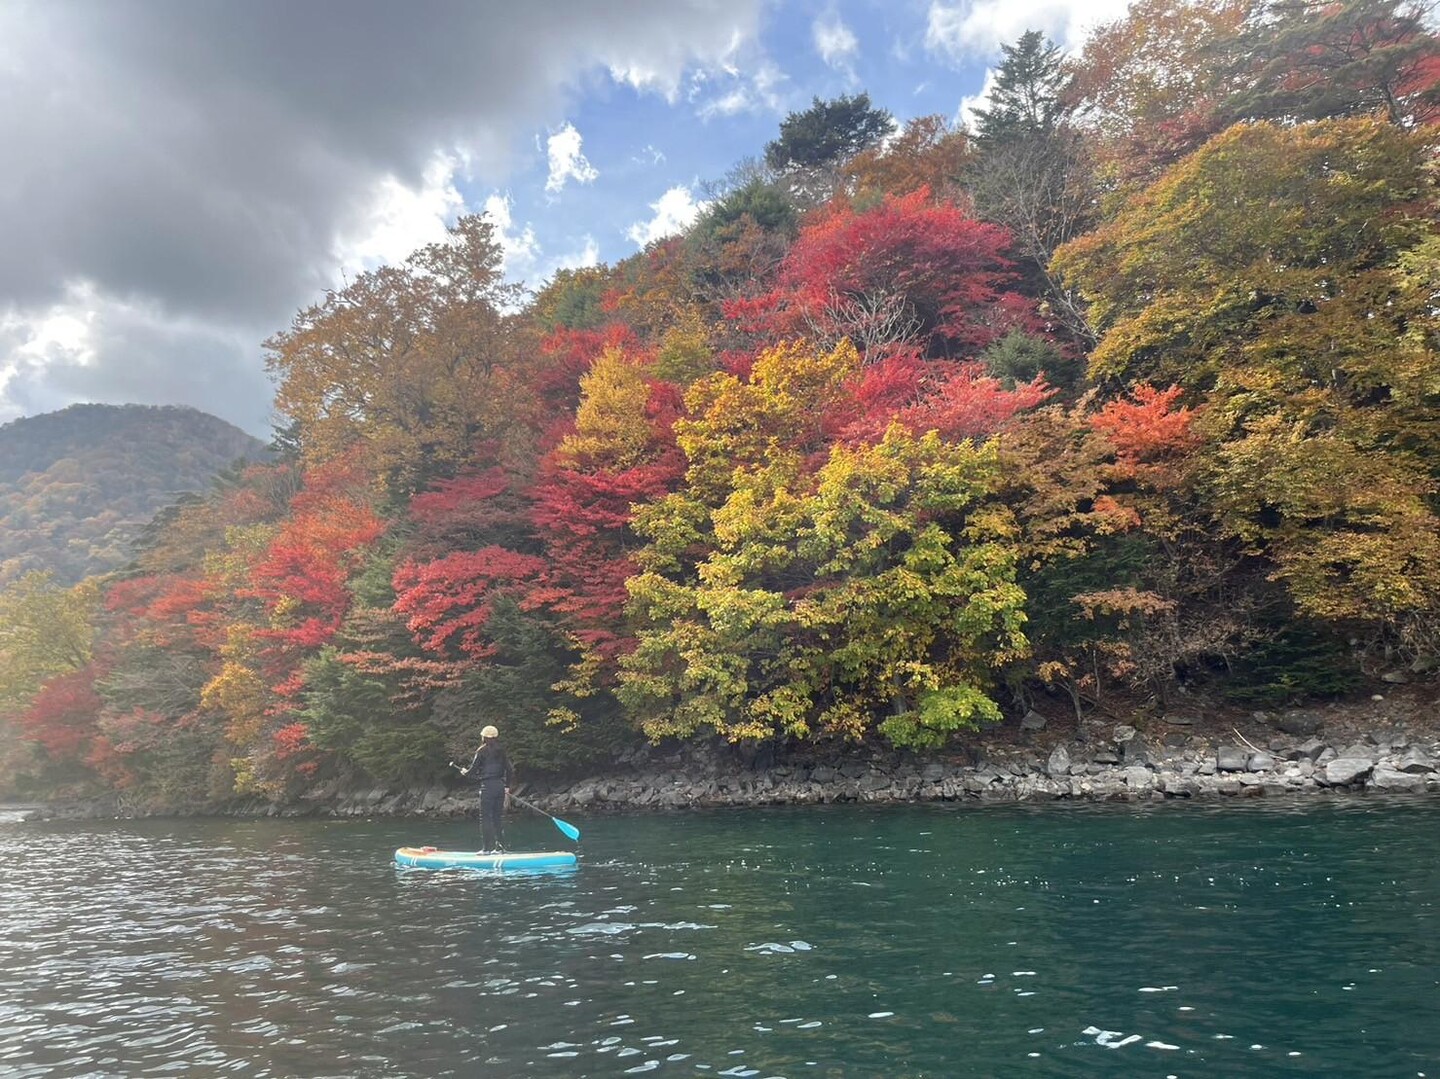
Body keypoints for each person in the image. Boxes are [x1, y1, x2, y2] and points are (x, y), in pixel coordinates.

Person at [457, 725, 513, 852]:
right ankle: (501, 848)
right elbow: (510, 770)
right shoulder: (502, 750)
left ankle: (486, 849)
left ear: (484, 737)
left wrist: (464, 772)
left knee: (486, 818)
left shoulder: (481, 751)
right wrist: (507, 787)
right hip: (500, 786)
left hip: (487, 787)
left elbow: (472, 772)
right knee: (497, 818)